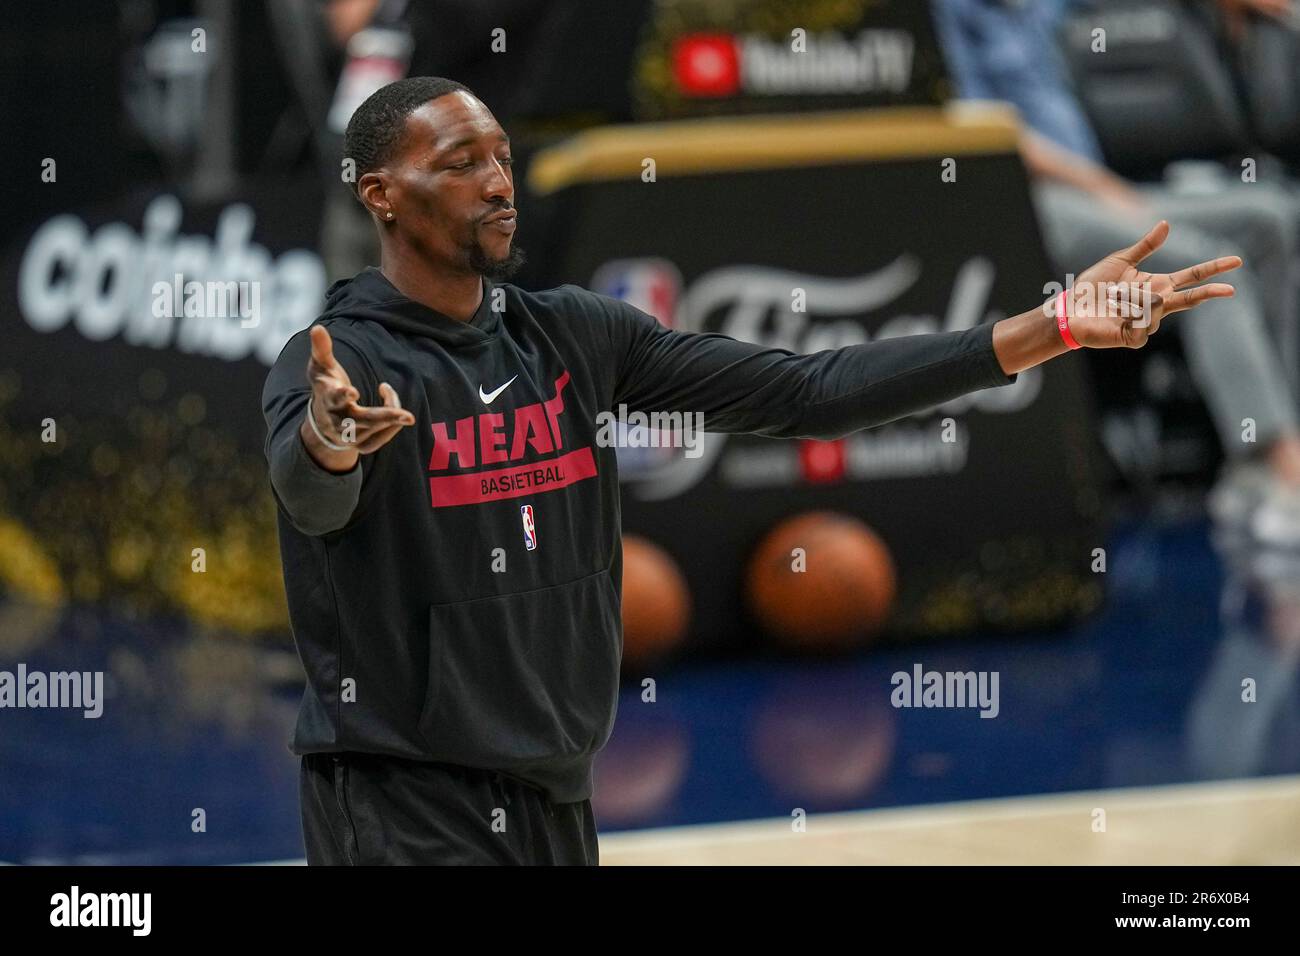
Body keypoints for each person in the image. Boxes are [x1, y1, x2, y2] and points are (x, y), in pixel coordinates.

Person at [261, 76, 1241, 864]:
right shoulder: (341, 364)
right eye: (459, 163)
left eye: (502, 158)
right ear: (379, 191)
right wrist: (330, 443)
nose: (496, 182)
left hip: (552, 787)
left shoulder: (572, 334)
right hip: (398, 803)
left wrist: (1055, 324)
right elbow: (309, 498)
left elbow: (808, 390)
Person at [932, 0, 1300, 546]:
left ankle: (1261, 454)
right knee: (1207, 266)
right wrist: (1097, 186)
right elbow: (973, 128)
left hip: (1100, 190)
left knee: (1272, 217)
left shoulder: (1042, 8)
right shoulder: (946, 16)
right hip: (1028, 197)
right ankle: (1281, 468)